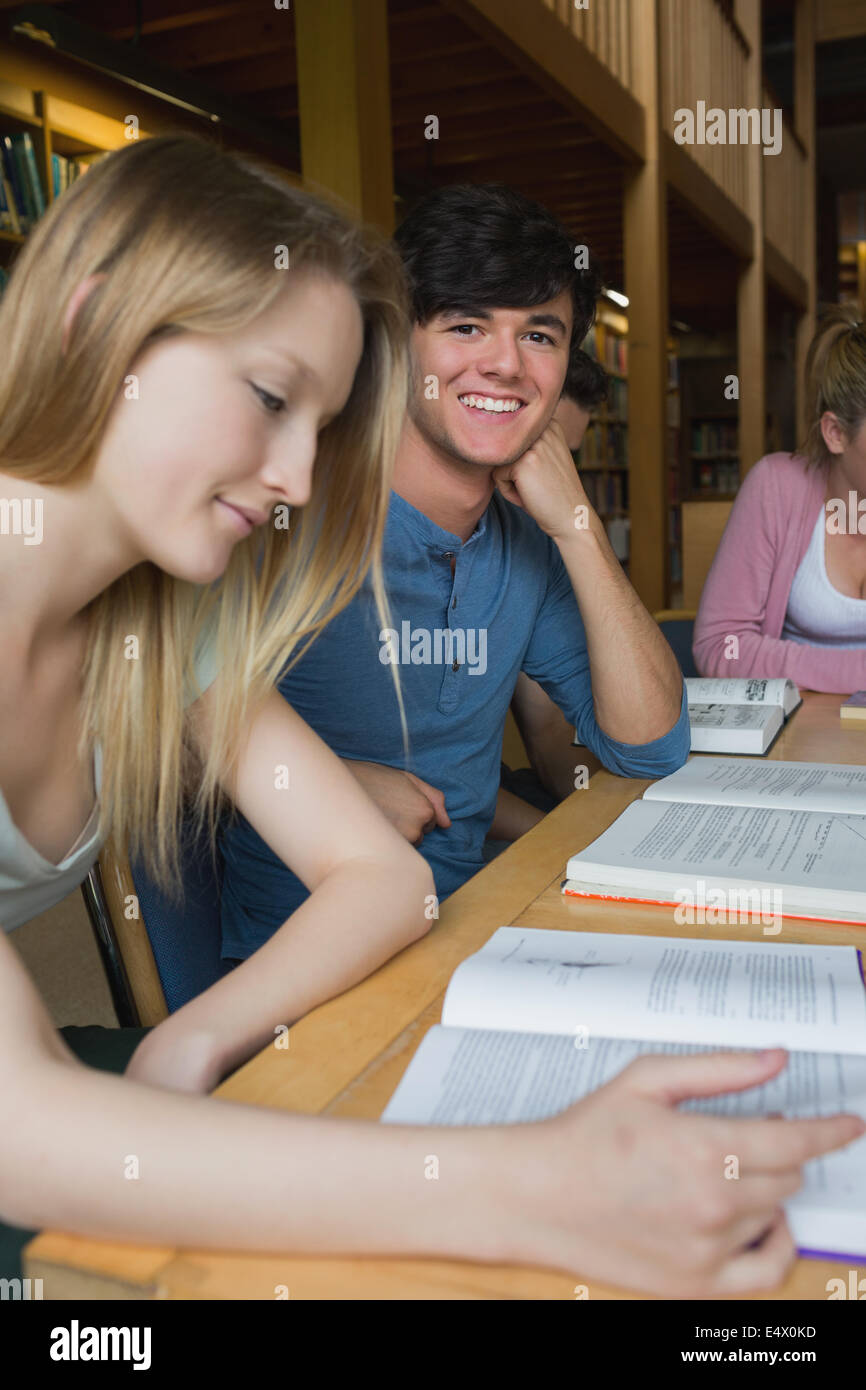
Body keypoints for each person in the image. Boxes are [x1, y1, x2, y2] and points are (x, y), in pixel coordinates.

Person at [1, 142, 861, 1301]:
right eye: (267, 396)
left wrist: (182, 1042)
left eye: (318, 417)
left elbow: (395, 874)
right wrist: (531, 1189)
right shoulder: (200, 590)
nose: (300, 480)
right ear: (93, 328)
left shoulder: (162, 622)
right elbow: (29, 1132)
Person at [219, 183, 690, 961]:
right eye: (467, 325)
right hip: (301, 966)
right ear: (398, 342)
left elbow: (651, 749)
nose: (505, 364)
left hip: (475, 932)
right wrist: (325, 781)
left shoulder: (528, 546)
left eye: (540, 336)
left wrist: (579, 530)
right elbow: (157, 714)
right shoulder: (288, 507)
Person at [694, 305, 866, 690]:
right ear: (835, 433)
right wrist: (855, 672)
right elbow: (722, 645)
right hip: (799, 734)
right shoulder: (777, 487)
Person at [491, 348, 610, 845]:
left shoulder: (529, 547)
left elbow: (548, 732)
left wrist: (605, 813)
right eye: (533, 443)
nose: (540, 475)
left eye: (562, 456)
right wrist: (558, 842)